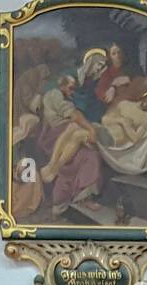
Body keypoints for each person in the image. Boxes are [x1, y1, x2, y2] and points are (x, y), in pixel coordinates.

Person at [36, 75, 103, 213]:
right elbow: (73, 115)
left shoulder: (67, 98)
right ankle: (54, 167)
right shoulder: (54, 94)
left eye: (74, 89)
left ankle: (82, 197)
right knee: (75, 127)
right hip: (55, 137)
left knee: (90, 154)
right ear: (61, 85)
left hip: (66, 136)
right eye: (70, 88)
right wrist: (90, 129)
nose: (72, 91)